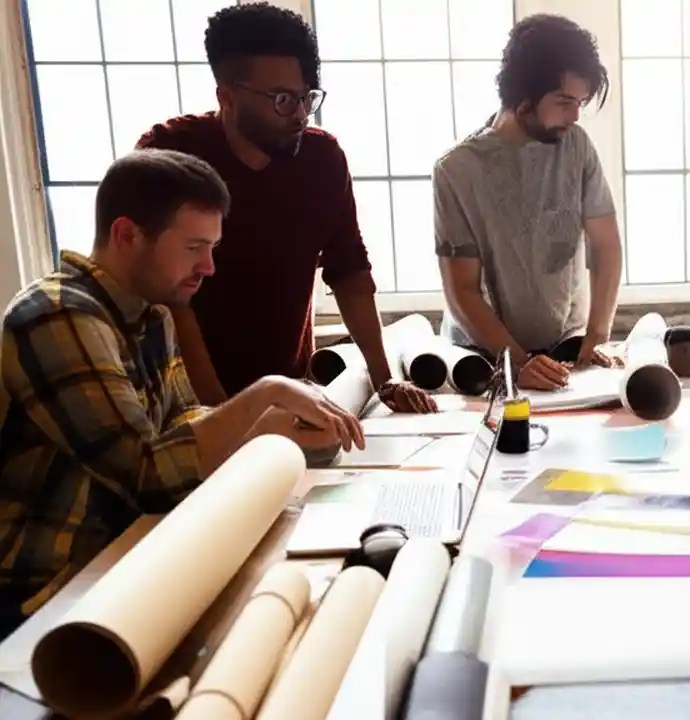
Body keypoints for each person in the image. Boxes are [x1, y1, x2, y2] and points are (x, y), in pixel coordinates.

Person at [0, 150, 364, 634]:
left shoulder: (151, 313)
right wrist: (265, 393)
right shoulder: (59, 315)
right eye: (194, 247)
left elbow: (181, 424)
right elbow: (149, 476)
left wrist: (265, 428)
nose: (209, 267)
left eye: (211, 247)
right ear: (127, 235)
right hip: (46, 593)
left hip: (128, 556)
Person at [137, 3, 435, 414]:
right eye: (280, 100)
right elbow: (171, 299)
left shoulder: (322, 159)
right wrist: (222, 414)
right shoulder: (170, 155)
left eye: (304, 98)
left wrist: (386, 380)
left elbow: (350, 273)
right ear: (226, 96)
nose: (297, 115)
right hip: (183, 402)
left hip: (288, 387)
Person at [435, 14, 623, 392]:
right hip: (484, 358)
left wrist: (597, 334)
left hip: (565, 347)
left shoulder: (577, 148)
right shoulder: (457, 170)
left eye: (581, 103)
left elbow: (605, 248)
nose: (575, 116)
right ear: (523, 96)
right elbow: (463, 292)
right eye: (565, 102)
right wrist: (518, 363)